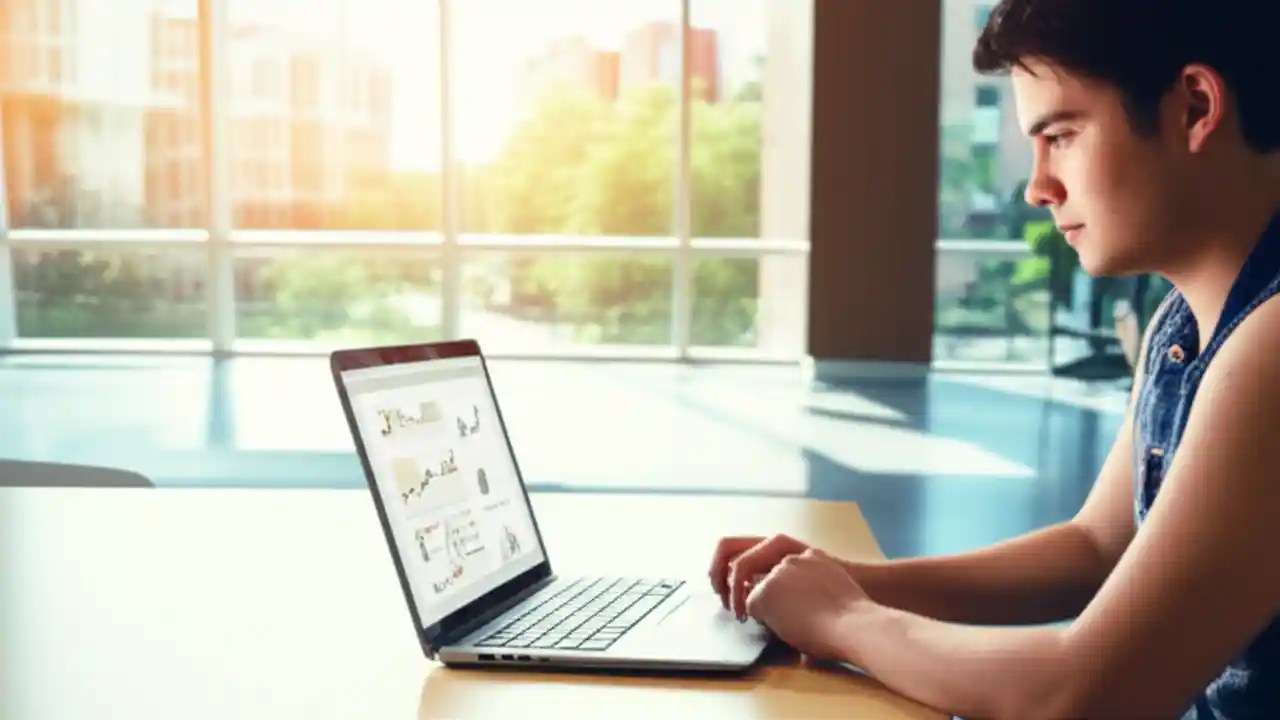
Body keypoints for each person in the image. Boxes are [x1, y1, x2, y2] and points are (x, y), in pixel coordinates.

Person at [707, 1, 1280, 717]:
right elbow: (1094, 549)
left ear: (1195, 107)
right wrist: (844, 581)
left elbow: (1086, 690)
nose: (1038, 187)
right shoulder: (1183, 323)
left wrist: (845, 620)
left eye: (1062, 136)